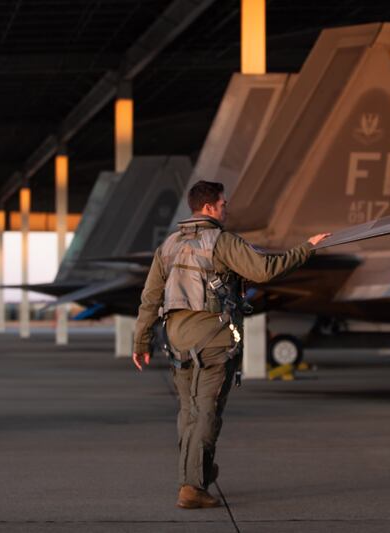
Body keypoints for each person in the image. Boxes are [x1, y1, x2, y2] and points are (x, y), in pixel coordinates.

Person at [131, 180, 329, 509]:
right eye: (223, 204)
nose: (227, 208)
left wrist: (141, 340)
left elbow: (150, 298)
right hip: (214, 340)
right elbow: (265, 270)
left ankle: (200, 469)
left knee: (188, 412)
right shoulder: (221, 242)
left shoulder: (167, 245)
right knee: (207, 412)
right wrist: (306, 248)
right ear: (209, 208)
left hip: (177, 340)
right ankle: (192, 487)